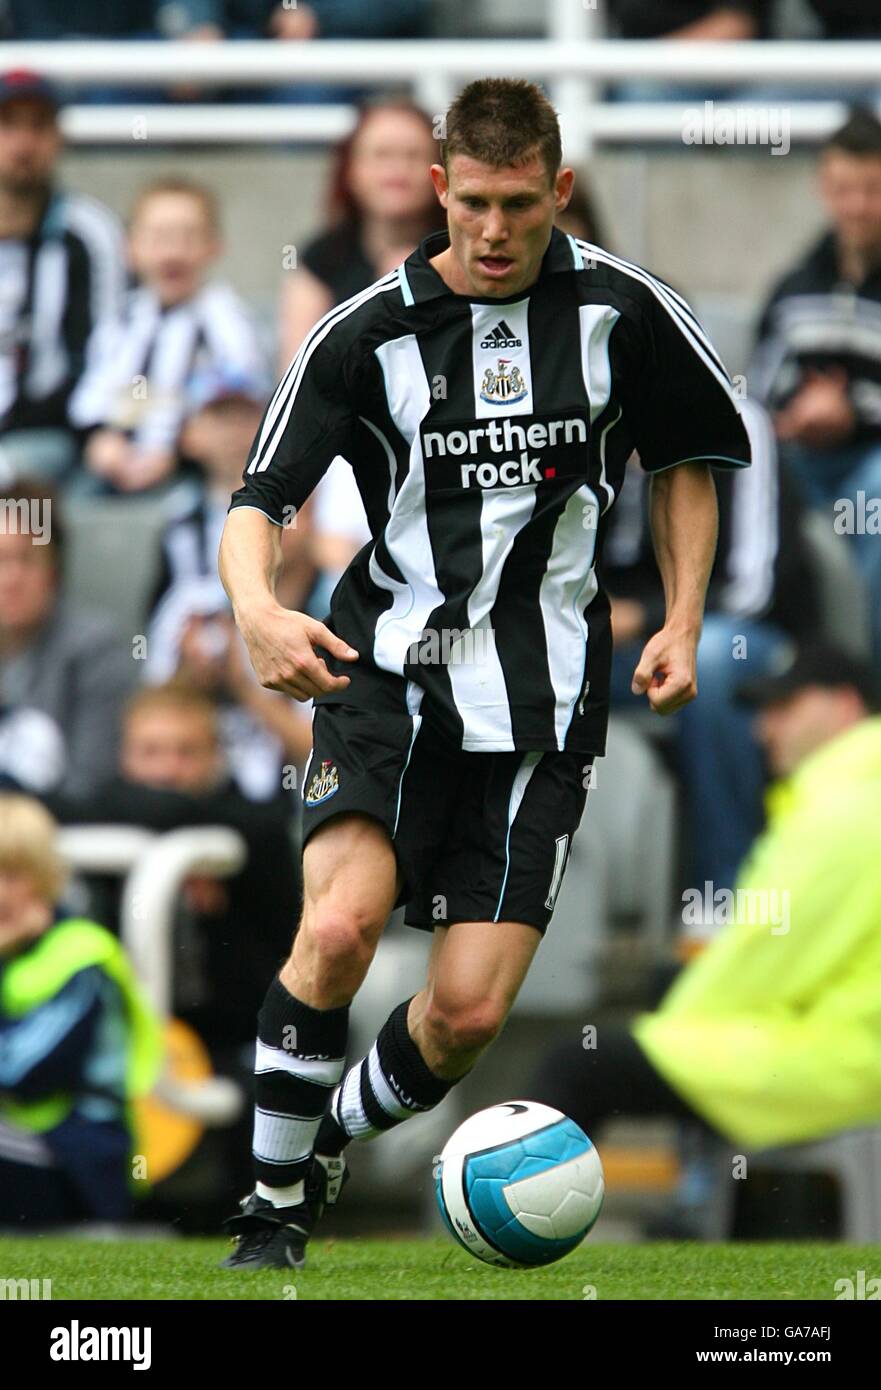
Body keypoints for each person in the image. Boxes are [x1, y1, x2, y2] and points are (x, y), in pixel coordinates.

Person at [217, 76, 750, 1271]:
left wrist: (681, 615)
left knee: (459, 1018)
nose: (495, 231)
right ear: (433, 191)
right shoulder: (362, 333)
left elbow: (684, 459)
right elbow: (258, 499)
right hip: (385, 682)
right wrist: (256, 608)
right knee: (343, 926)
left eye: (519, 204)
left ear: (557, 189)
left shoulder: (626, 312)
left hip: (544, 704)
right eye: (472, 205)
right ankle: (269, 1211)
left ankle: (329, 1132)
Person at [530, 643, 881, 1169]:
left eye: (784, 708)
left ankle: (513, 1209)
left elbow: (763, 961)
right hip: (841, 1037)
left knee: (582, 1063)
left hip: (846, 1057)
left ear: (846, 705)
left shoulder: (845, 807)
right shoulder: (849, 793)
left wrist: (673, 1013)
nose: (764, 730)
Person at [604, 395, 819, 891]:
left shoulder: (738, 418)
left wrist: (647, 619)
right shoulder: (583, 415)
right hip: (620, 649)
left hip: (744, 635)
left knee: (718, 656)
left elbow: (755, 589)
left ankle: (726, 894)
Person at [751, 109, 881, 664]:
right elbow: (755, 392)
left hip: (868, 460)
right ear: (823, 188)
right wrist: (796, 413)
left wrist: (851, 411)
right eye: (843, 189)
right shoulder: (795, 286)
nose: (856, 205)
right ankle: (792, 673)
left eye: (872, 190)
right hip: (799, 460)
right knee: (748, 481)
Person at [0, 793, 162, 1227]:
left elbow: (24, 1072)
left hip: (81, 1159)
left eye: (13, 875)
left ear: (46, 879)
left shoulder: (80, 955)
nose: (1, 892)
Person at [76, 178, 265, 497]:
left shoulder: (225, 319)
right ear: (130, 248)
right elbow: (95, 391)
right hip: (121, 460)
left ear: (215, 246)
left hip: (195, 468)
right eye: (159, 238)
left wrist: (178, 447)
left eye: (189, 238)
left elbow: (240, 392)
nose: (173, 252)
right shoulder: (123, 320)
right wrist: (99, 438)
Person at [0, 69, 125, 482]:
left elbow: (109, 346)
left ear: (58, 138)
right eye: (8, 125)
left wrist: (96, 427)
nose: (23, 144)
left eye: (38, 127)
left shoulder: (88, 232)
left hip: (46, 433)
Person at [278, 99, 445, 366]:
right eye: (381, 155)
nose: (398, 171)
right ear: (351, 171)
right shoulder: (320, 260)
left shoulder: (465, 251)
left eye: (414, 155)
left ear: (441, 174)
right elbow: (298, 375)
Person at [0, 479, 138, 797]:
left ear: (54, 571)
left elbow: (91, 783)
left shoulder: (95, 649)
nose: (10, 579)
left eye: (26, 560)